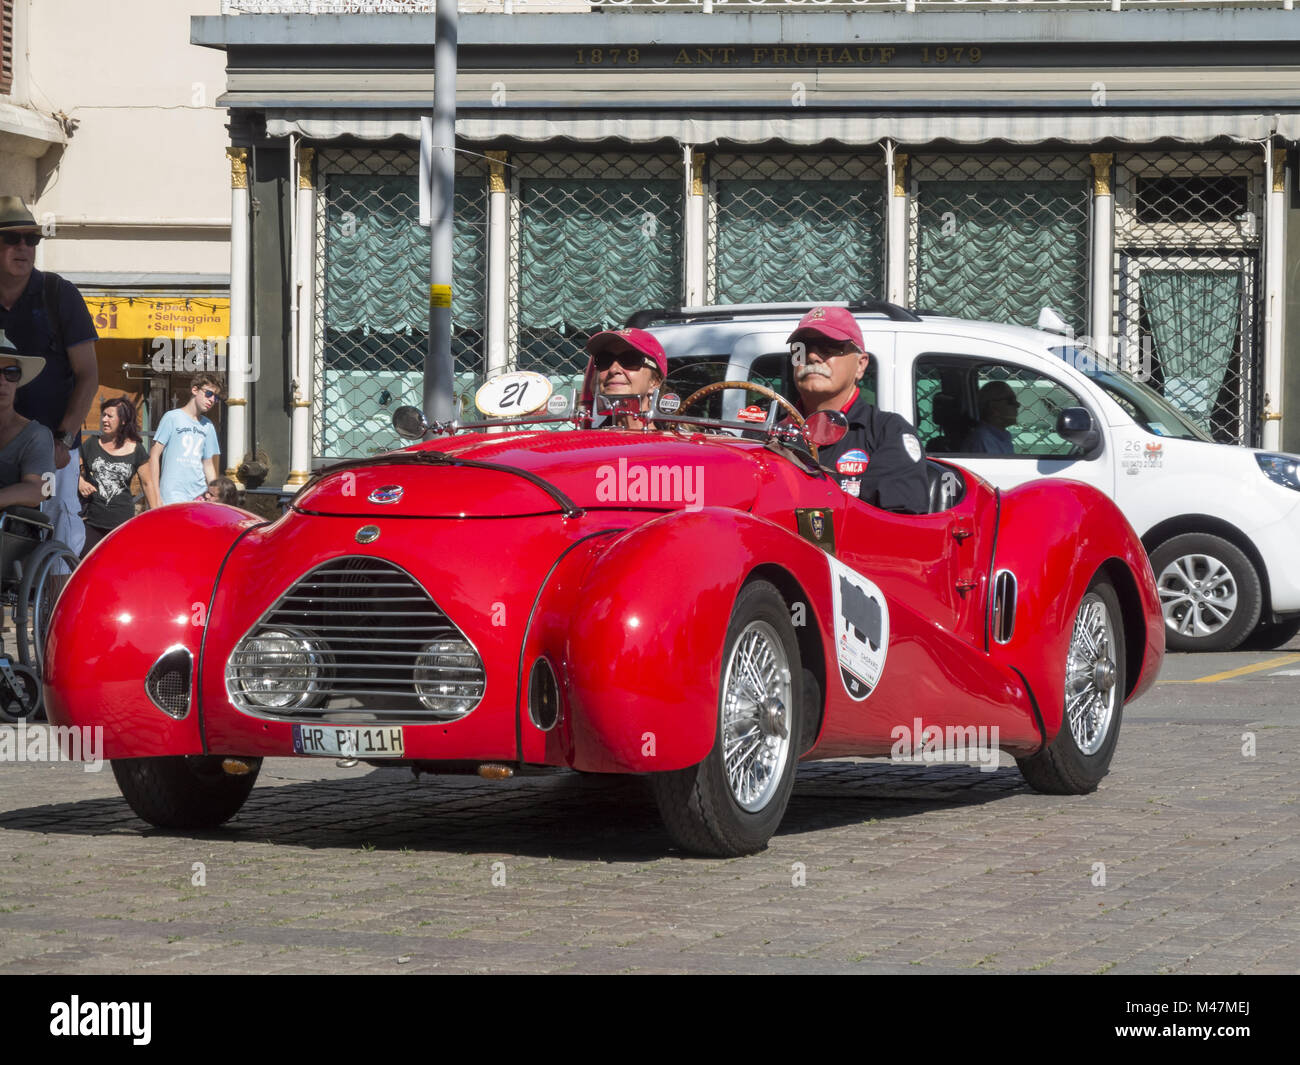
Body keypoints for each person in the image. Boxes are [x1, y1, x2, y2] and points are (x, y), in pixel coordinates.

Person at [0, 196, 98, 554]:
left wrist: (63, 438)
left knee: (57, 531)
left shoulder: (59, 294)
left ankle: (55, 609)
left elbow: (88, 375)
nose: (24, 246)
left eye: (32, 238)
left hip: (53, 446)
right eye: (12, 238)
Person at [788, 306, 929, 514]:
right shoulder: (766, 434)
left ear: (860, 365)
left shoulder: (888, 433)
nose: (812, 357)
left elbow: (900, 526)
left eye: (829, 347)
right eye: (801, 348)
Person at [78, 397, 156, 557]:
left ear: (123, 421)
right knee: (89, 565)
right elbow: (72, 468)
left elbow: (148, 484)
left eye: (110, 416)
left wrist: (156, 515)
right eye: (103, 415)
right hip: (91, 521)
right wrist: (80, 482)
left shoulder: (137, 449)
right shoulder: (91, 444)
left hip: (121, 523)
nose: (104, 420)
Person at [0, 330, 54, 511]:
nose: (2, 381)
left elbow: (42, 490)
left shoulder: (38, 435)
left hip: (9, 535)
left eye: (11, 373)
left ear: (18, 380)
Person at [149, 372, 222, 505]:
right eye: (209, 394)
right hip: (171, 496)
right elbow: (154, 456)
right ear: (195, 389)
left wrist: (214, 497)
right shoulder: (172, 417)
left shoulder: (208, 426)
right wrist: (155, 495)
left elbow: (208, 464)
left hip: (199, 497)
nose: (212, 400)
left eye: (215, 397)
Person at [583, 328, 666, 430]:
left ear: (655, 382)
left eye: (630, 359)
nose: (613, 370)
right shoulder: (588, 444)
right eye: (604, 360)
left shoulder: (676, 443)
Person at [960, 380, 1020, 455]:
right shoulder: (983, 439)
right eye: (1011, 401)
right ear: (993, 407)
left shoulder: (1001, 437)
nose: (1018, 405)